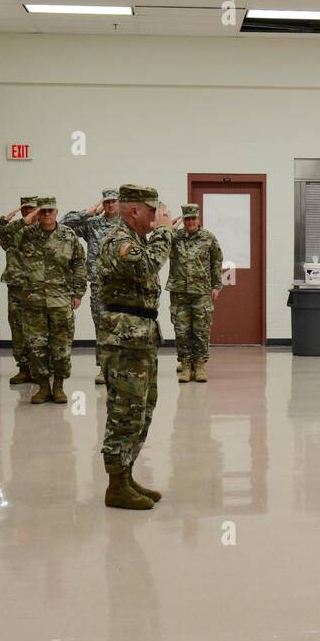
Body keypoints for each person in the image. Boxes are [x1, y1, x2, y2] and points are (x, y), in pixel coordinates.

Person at [97, 185, 176, 509]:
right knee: (124, 411)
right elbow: (147, 266)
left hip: (140, 336)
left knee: (142, 408)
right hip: (124, 338)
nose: (157, 216)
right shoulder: (119, 241)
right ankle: (116, 485)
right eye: (152, 210)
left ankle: (126, 475)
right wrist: (165, 232)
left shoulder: (135, 239)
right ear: (134, 211)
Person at [0, 197, 86, 404]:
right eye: (42, 211)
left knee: (61, 346)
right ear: (37, 213)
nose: (46, 215)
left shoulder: (68, 235)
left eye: (50, 211)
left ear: (56, 212)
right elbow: (3, 236)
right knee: (36, 346)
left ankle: (58, 386)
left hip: (60, 300)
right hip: (33, 301)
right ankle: (43, 387)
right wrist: (26, 219)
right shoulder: (26, 234)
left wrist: (78, 293)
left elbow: (79, 263)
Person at [63, 188, 121, 385]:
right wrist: (86, 213)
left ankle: (120, 369)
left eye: (113, 201)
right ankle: (104, 369)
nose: (110, 205)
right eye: (106, 202)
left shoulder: (127, 225)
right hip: (99, 285)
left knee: (122, 327)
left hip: (123, 286)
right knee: (102, 327)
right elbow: (63, 225)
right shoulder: (93, 224)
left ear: (119, 202)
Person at [168, 203, 224, 383]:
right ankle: (185, 366)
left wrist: (216, 285)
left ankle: (199, 365)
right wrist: (169, 228)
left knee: (201, 330)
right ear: (183, 220)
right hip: (179, 291)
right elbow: (156, 243)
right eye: (187, 219)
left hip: (201, 291)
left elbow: (217, 261)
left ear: (198, 219)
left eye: (193, 218)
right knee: (181, 330)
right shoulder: (175, 238)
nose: (190, 221)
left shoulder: (208, 238)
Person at [0, 196, 39, 384]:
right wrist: (11, 219)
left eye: (32, 209)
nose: (28, 212)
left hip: (38, 287)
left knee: (39, 329)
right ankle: (24, 368)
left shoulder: (44, 231)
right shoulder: (12, 234)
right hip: (16, 288)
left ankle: (41, 369)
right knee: (18, 329)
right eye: (25, 209)